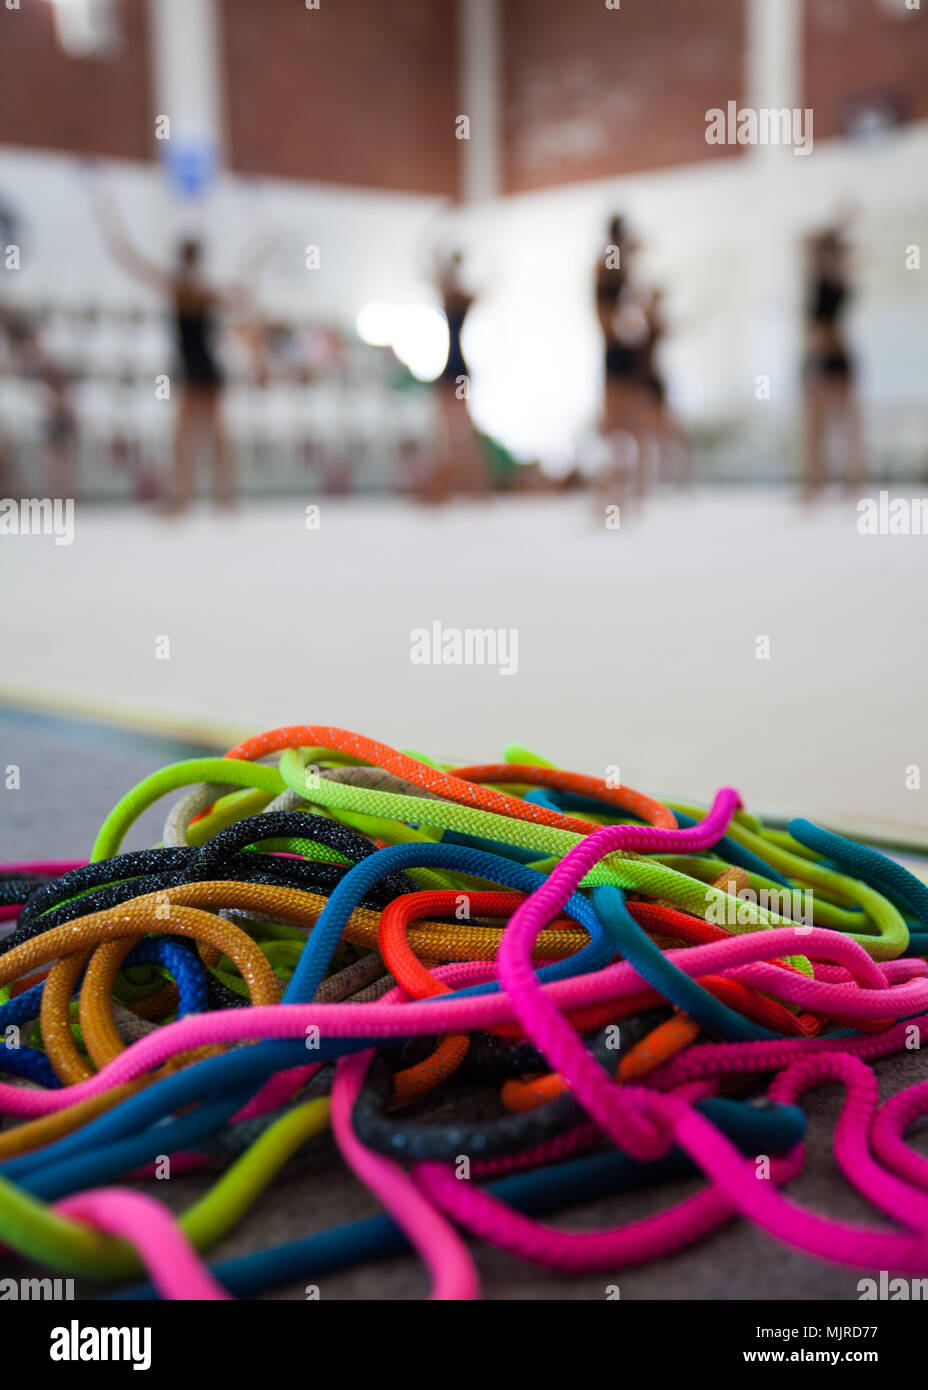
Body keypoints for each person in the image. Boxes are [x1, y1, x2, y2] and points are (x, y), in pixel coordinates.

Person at [93, 191, 243, 513]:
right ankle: (214, 497)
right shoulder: (197, 290)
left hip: (198, 369)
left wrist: (111, 225)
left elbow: (131, 260)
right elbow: (236, 300)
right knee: (204, 437)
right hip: (198, 368)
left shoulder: (188, 289)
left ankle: (206, 498)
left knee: (201, 438)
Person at [802, 223, 866, 500]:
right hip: (824, 357)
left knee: (843, 423)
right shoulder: (823, 281)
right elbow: (810, 240)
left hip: (833, 356)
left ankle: (850, 483)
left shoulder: (833, 284)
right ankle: (818, 483)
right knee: (820, 425)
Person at [594, 215, 650, 512]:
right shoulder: (612, 265)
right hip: (620, 349)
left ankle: (617, 492)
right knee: (619, 426)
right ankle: (617, 491)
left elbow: (611, 312)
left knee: (618, 426)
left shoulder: (610, 266)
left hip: (619, 351)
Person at [426, 249, 489, 503]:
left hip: (454, 369)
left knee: (454, 434)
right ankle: (463, 489)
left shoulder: (454, 296)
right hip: (455, 368)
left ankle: (472, 489)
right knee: (454, 433)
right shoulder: (458, 297)